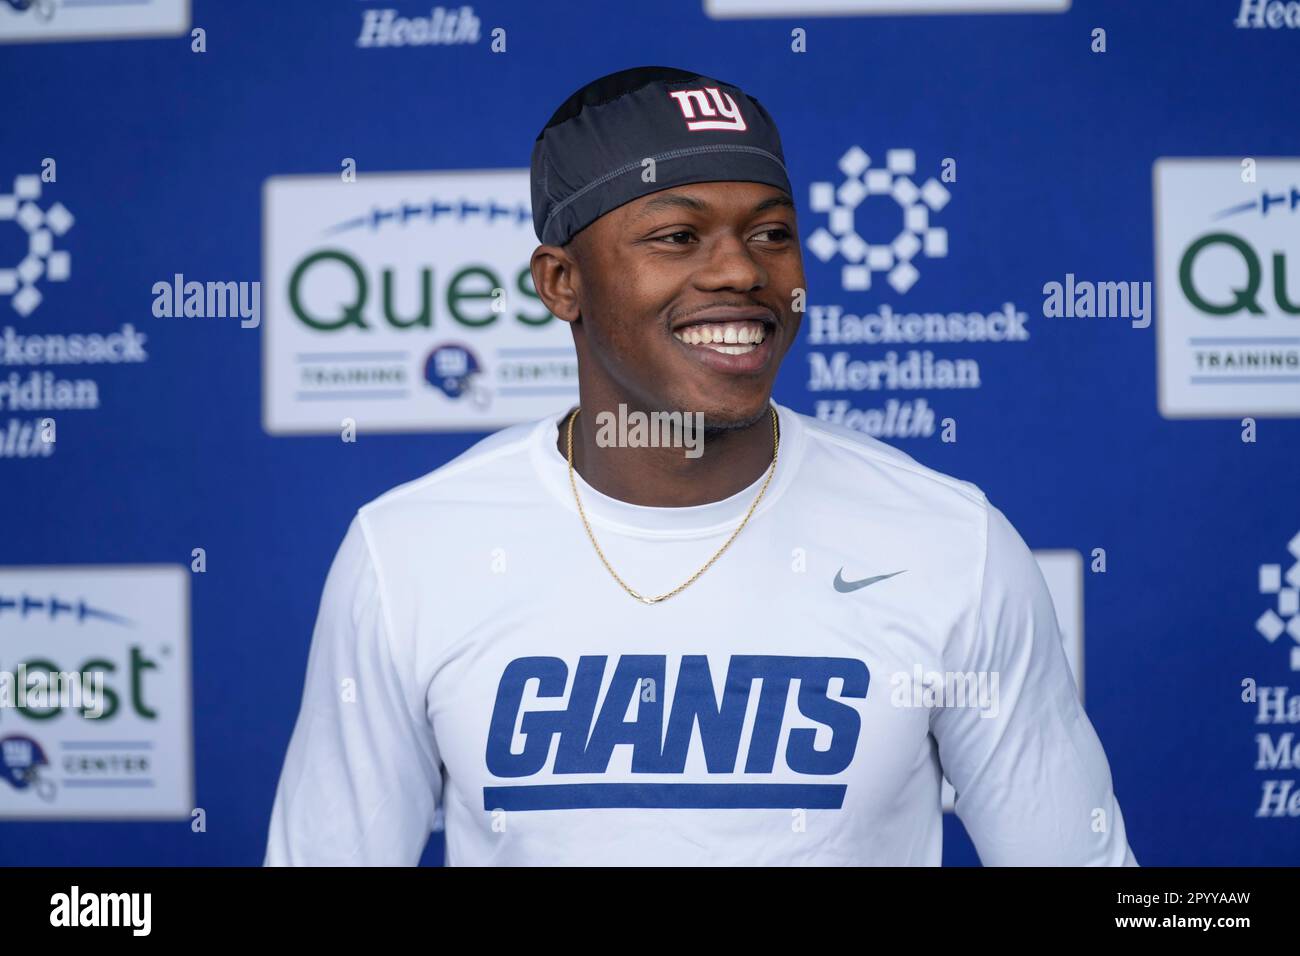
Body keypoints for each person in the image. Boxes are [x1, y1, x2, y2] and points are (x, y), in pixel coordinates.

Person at [264, 66, 1137, 866]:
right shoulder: (409, 551)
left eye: (771, 233)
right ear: (561, 282)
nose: (740, 271)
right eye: (678, 236)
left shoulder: (951, 544)